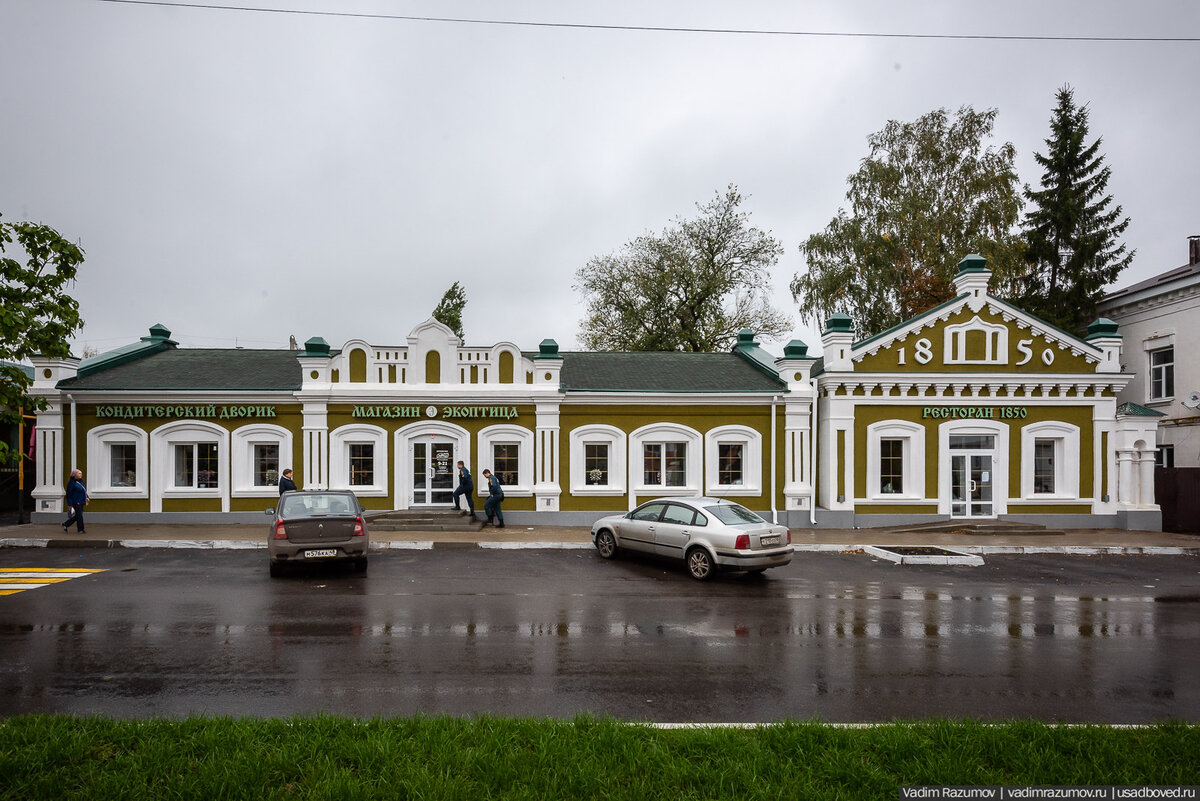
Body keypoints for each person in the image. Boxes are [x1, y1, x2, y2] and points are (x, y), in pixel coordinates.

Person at [62, 469, 89, 534]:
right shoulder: (71, 483)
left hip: (81, 501)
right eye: (79, 473)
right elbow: (69, 494)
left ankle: (65, 524)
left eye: (81, 473)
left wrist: (87, 497)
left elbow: (83, 490)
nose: (81, 475)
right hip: (76, 502)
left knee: (78, 516)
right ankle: (80, 529)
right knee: (79, 516)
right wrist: (70, 504)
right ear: (74, 475)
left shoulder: (81, 481)